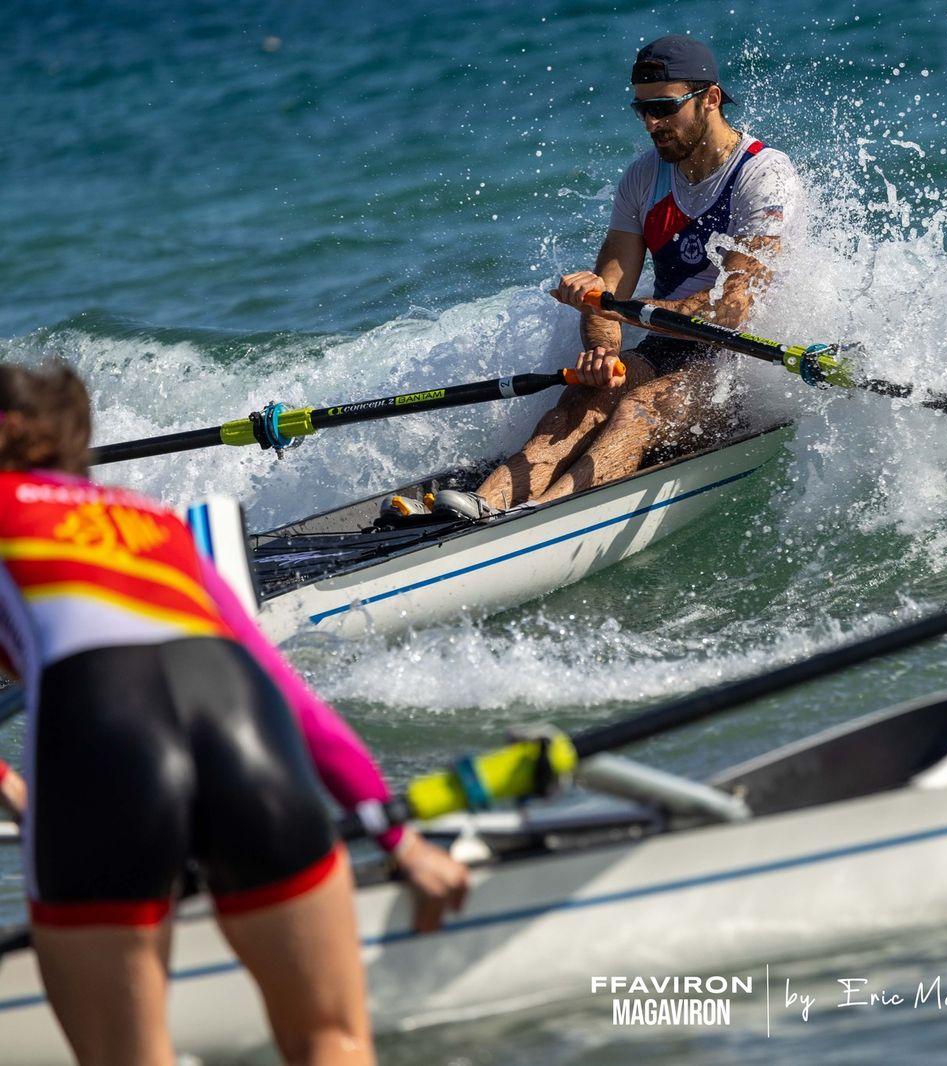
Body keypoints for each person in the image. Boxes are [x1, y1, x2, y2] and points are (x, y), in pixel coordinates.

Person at [0, 363, 468, 1064]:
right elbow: (287, 690)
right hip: (243, 723)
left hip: (103, 737)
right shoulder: (150, 520)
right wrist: (397, 838)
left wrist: (12, 791)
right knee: (331, 1041)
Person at [420, 34, 801, 520]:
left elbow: (734, 305)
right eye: (641, 110)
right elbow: (610, 291)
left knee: (635, 410)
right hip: (668, 345)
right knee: (583, 398)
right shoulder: (644, 178)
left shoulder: (764, 175)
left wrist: (633, 314)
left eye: (664, 108)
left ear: (710, 99)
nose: (651, 124)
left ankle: (544, 517)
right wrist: (604, 348)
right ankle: (483, 504)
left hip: (742, 361)